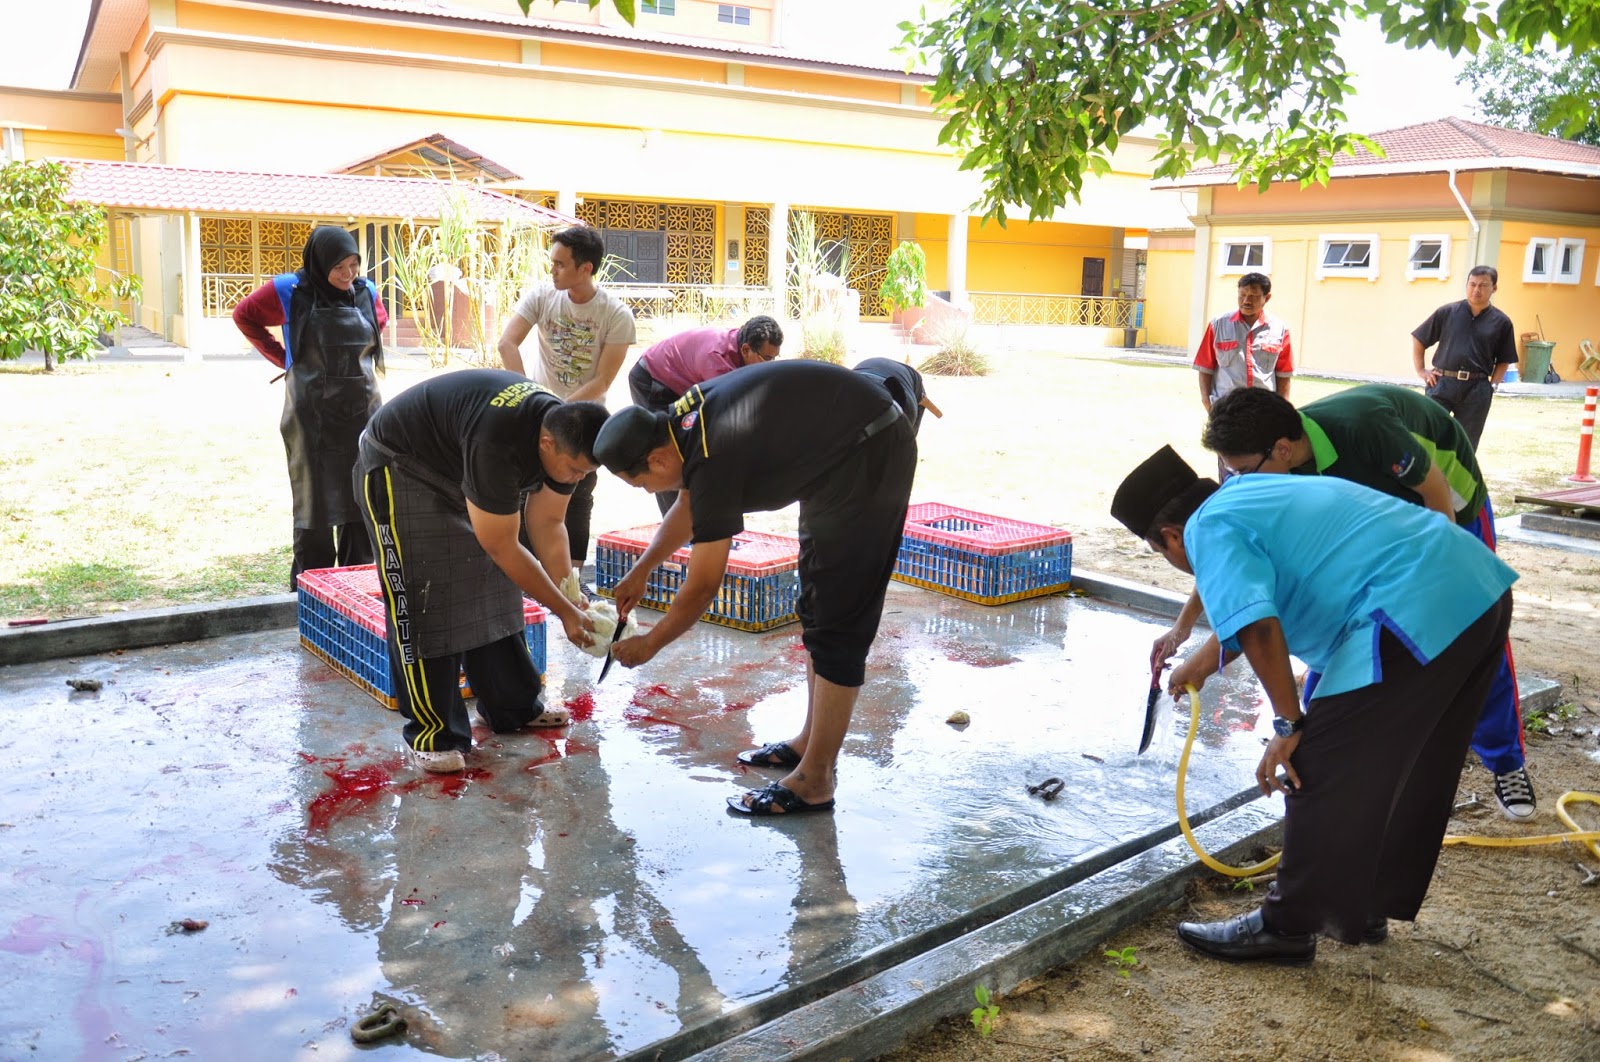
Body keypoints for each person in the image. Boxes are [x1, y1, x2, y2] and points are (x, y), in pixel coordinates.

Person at [1113, 446, 1516, 964]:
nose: (1173, 558)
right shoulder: (1242, 494)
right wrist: (1203, 659)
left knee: (1312, 764)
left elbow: (1259, 624)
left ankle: (1286, 927)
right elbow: (1258, 597)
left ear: (1169, 536)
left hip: (1408, 607)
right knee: (1409, 764)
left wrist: (1288, 722)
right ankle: (1362, 902)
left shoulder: (1205, 528)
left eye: (1160, 552)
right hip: (1473, 589)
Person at [1153, 384, 1537, 820]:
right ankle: (1323, 763)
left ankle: (1506, 762)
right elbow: (1232, 564)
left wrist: (1443, 574)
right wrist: (1183, 627)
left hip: (1447, 509)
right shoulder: (1274, 468)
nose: (1238, 485)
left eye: (1242, 472)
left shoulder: (1363, 428)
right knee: (1339, 658)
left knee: (1469, 624)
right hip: (1384, 530)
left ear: (1281, 449)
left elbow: (1435, 495)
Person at [588, 359, 927, 816]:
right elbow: (690, 503)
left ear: (658, 458)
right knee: (816, 606)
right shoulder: (681, 426)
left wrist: (652, 643)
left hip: (870, 450)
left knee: (840, 618)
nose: (649, 491)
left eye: (642, 481)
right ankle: (810, 742)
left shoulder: (710, 453)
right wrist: (644, 567)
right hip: (837, 459)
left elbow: (705, 584)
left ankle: (815, 779)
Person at [352, 369, 609, 774]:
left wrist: (570, 592)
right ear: (545, 443)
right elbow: (503, 544)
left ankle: (513, 707)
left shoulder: (565, 436)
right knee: (426, 597)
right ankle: (433, 733)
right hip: (400, 466)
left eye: (586, 472)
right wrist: (563, 611)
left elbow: (547, 523)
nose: (580, 478)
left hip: (456, 467)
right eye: (576, 470)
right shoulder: (498, 439)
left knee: (494, 584)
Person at [233, 225, 386, 587]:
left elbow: (378, 323)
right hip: (311, 416)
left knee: (362, 502)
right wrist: (284, 358)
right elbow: (245, 316)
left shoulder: (367, 291)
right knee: (314, 507)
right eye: (338, 268)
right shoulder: (290, 289)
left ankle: (355, 588)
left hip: (363, 412)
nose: (348, 276)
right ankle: (311, 592)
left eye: (353, 265)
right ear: (319, 264)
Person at [496, 226, 636, 573]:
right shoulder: (542, 296)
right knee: (527, 494)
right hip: (540, 411)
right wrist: (530, 396)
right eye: (552, 263)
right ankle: (528, 574)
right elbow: (506, 344)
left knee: (578, 495)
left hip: (584, 421)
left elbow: (602, 379)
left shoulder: (616, 314)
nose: (553, 270)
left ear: (585, 268)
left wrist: (560, 411)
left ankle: (571, 579)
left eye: (560, 264)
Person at [628, 315, 785, 513]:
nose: (770, 366)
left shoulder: (740, 347)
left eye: (775, 359)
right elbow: (727, 416)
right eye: (767, 359)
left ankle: (693, 518)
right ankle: (678, 527)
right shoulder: (718, 362)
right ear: (746, 349)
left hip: (683, 383)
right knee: (668, 453)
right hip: (653, 379)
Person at [1412, 265, 1518, 450]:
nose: (1476, 290)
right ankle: (1423, 477)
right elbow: (1419, 338)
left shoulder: (1501, 322)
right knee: (1427, 436)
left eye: (1483, 285)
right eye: (1472, 284)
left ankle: (1455, 479)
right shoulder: (1447, 312)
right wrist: (1421, 370)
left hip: (1477, 390)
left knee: (1466, 444)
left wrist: (1493, 385)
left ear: (1494, 288)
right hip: (1441, 383)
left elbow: (1504, 359)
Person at [1193, 271, 1293, 417]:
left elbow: (1284, 375)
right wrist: (1207, 403)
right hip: (1225, 410)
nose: (1246, 300)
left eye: (1253, 296)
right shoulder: (1218, 325)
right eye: (1242, 295)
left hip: (1264, 411)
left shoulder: (1280, 330)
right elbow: (1205, 368)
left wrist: (1282, 411)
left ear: (1267, 298)